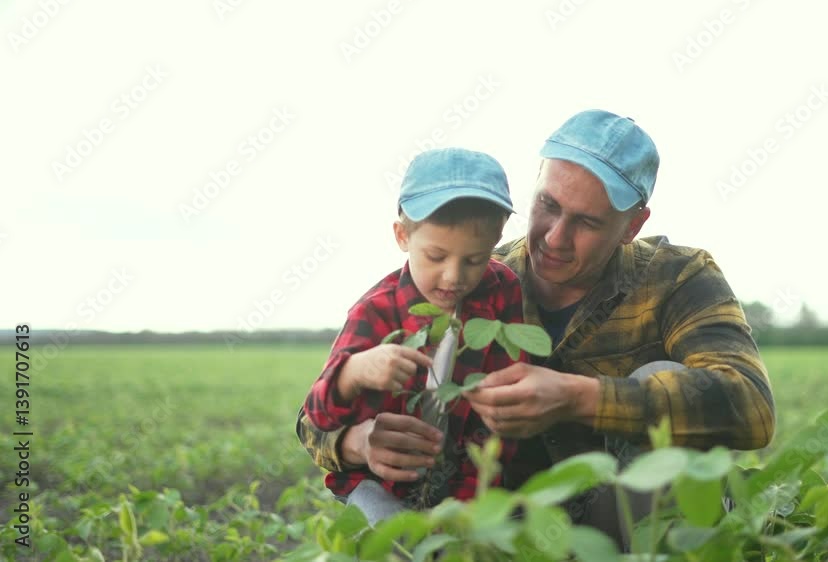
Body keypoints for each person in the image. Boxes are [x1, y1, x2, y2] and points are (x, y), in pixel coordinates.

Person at [297, 110, 776, 549]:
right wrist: (356, 441)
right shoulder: (476, 279)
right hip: (516, 531)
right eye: (548, 205)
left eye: (587, 222)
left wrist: (577, 396)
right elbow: (313, 421)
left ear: (633, 225)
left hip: (623, 516)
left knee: (660, 375)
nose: (554, 237)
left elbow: (750, 405)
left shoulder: (678, 277)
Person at [298, 147, 526, 524]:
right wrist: (353, 372)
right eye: (436, 257)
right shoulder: (376, 312)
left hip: (467, 479)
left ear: (497, 239)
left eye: (474, 260)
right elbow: (317, 417)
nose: (454, 277)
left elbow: (501, 411)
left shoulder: (501, 289)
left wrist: (469, 505)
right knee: (393, 541)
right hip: (382, 482)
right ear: (402, 236)